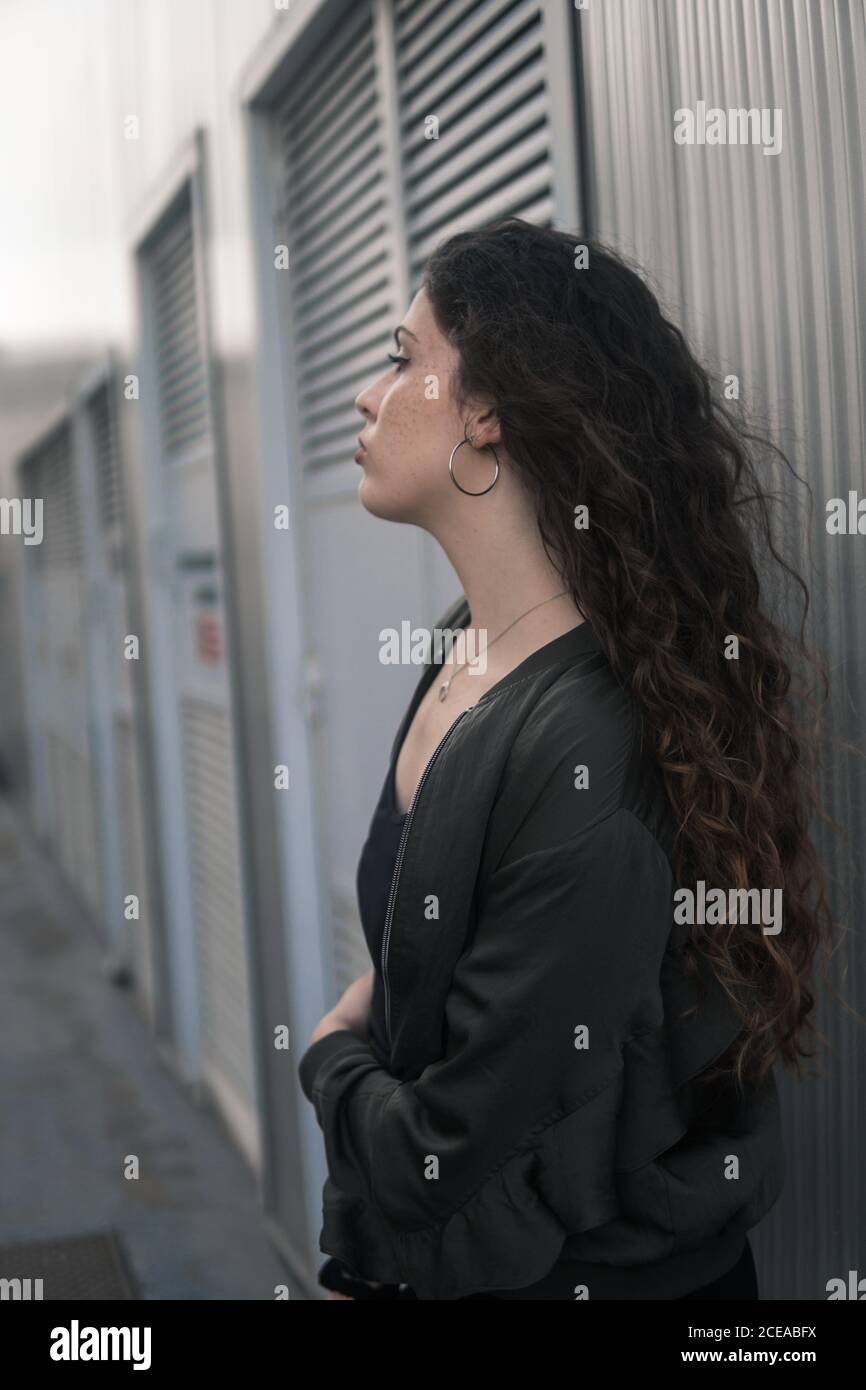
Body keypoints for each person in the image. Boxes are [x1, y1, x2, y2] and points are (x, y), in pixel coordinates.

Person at [297, 217, 835, 1300]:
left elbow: (450, 1161)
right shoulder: (461, 643)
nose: (365, 394)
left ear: (487, 411)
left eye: (403, 359)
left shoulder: (582, 749)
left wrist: (326, 1056)